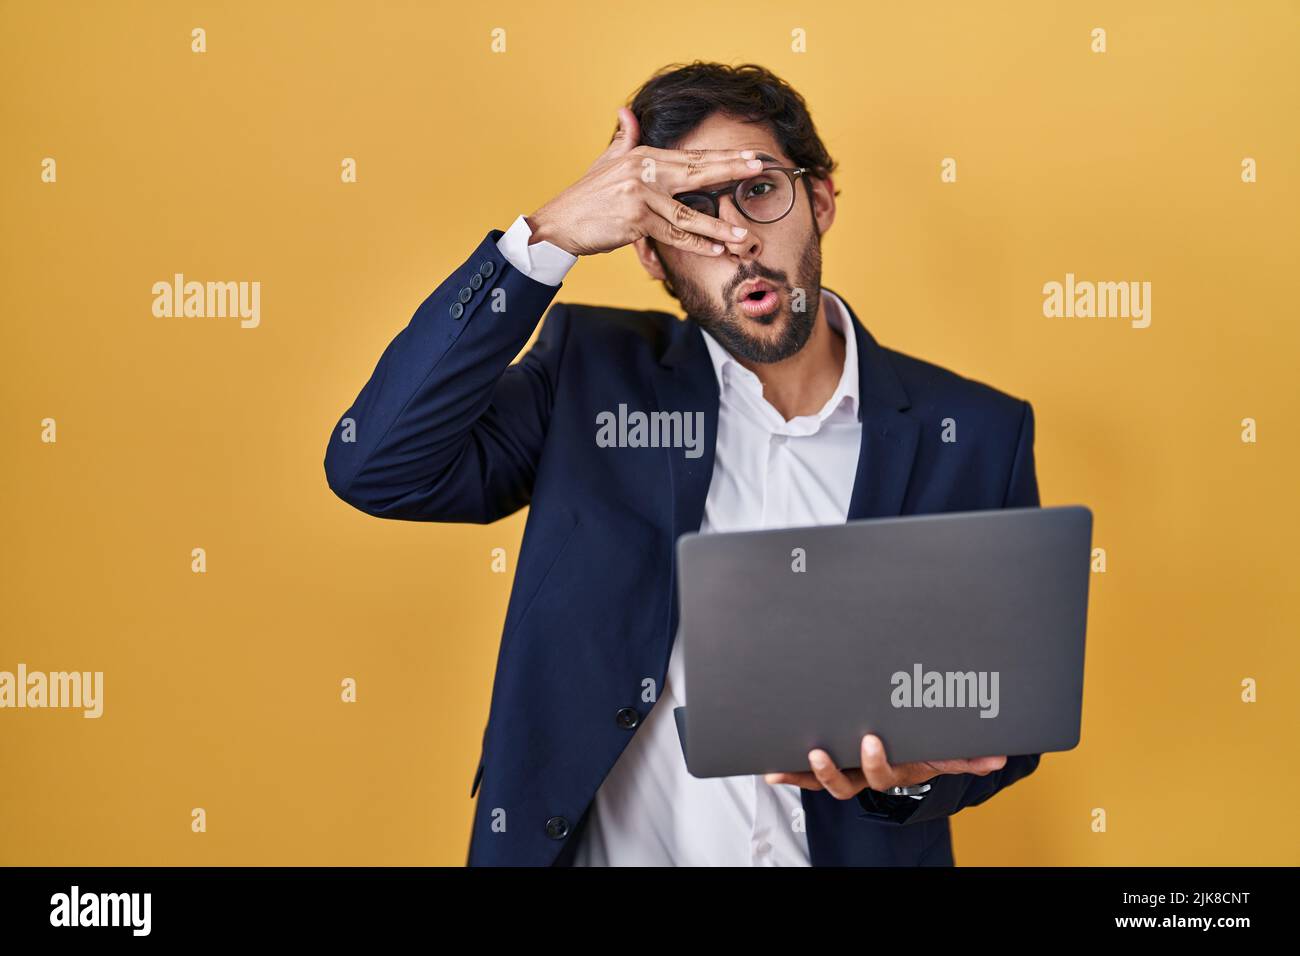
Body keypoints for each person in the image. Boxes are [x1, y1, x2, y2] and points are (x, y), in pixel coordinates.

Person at [323, 62, 1042, 866]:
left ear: (822, 202)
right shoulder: (589, 378)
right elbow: (376, 464)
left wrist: (907, 779)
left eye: (760, 191)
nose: (736, 237)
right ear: (653, 259)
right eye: (690, 214)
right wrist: (545, 238)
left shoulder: (975, 432)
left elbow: (998, 721)